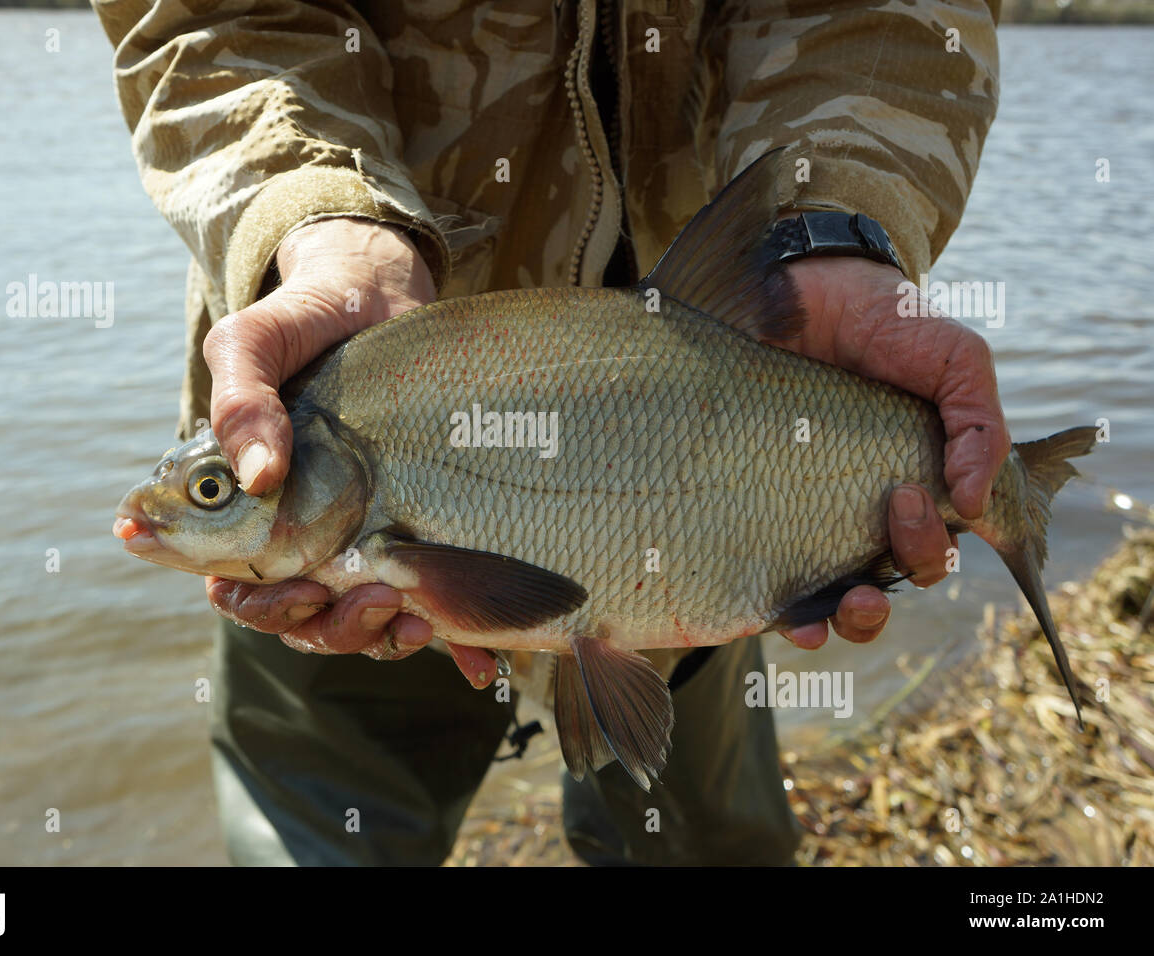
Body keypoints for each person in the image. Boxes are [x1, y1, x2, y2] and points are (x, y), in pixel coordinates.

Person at [93, 0, 1008, 865]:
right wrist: (320, 220)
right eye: (219, 489)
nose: (201, 501)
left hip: (721, 401)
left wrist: (826, 224)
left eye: (211, 488)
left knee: (700, 839)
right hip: (336, 312)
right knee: (321, 828)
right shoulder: (326, 425)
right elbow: (206, 16)